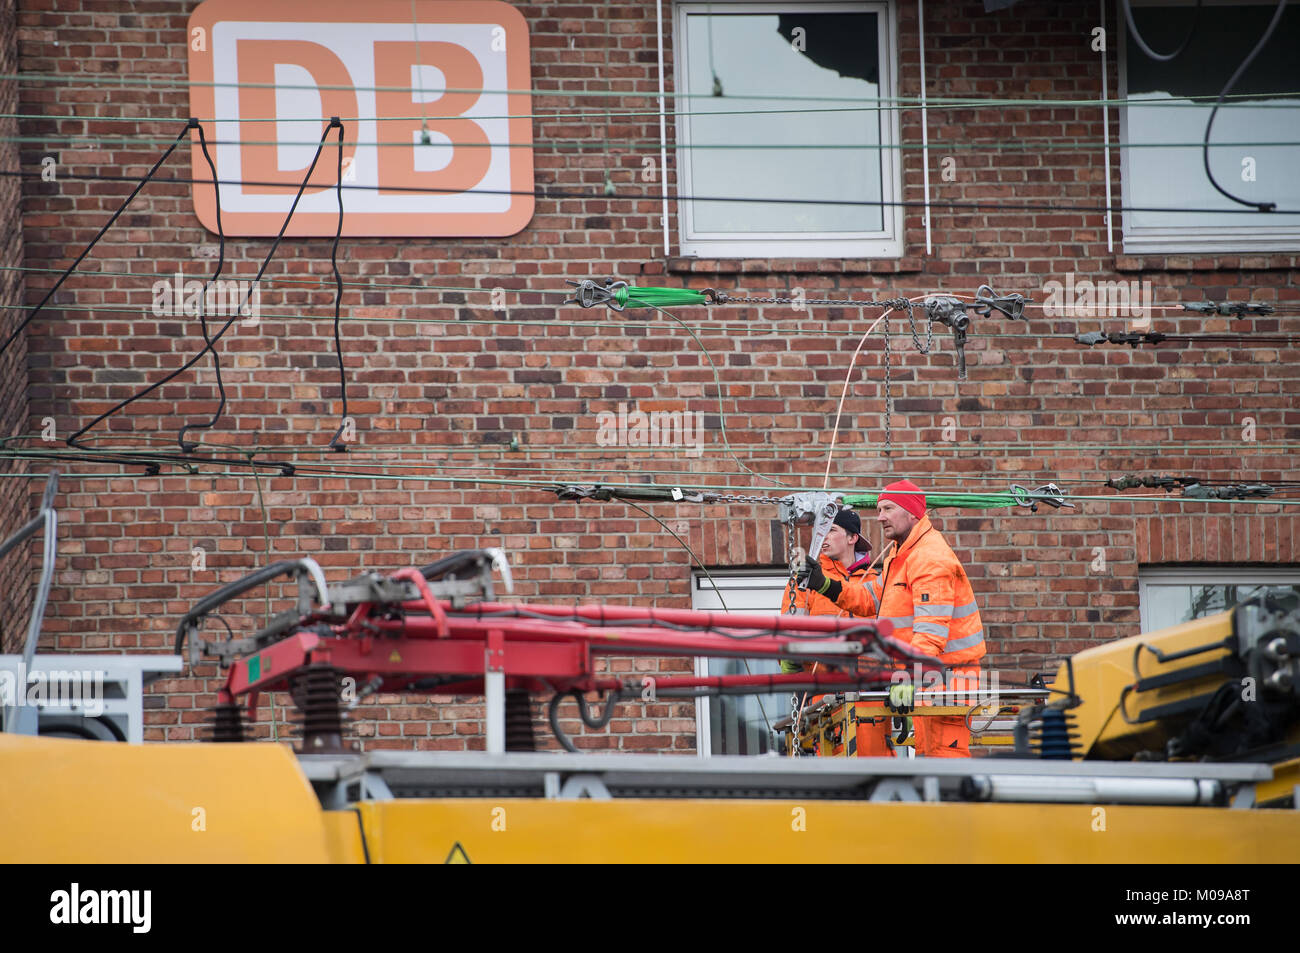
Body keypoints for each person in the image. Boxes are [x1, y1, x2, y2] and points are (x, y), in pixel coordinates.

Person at [817, 480, 986, 757]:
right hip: (930, 679)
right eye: (879, 509)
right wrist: (826, 585)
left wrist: (907, 677)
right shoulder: (903, 553)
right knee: (929, 760)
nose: (880, 516)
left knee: (943, 763)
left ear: (912, 513)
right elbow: (871, 598)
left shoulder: (929, 558)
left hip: (946, 682)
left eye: (888, 508)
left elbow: (930, 632)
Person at [782, 509, 893, 756]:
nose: (823, 539)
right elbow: (788, 636)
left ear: (852, 537)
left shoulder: (877, 581)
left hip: (872, 695)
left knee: (875, 768)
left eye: (831, 531)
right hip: (822, 696)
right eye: (821, 532)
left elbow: (895, 637)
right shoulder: (807, 579)